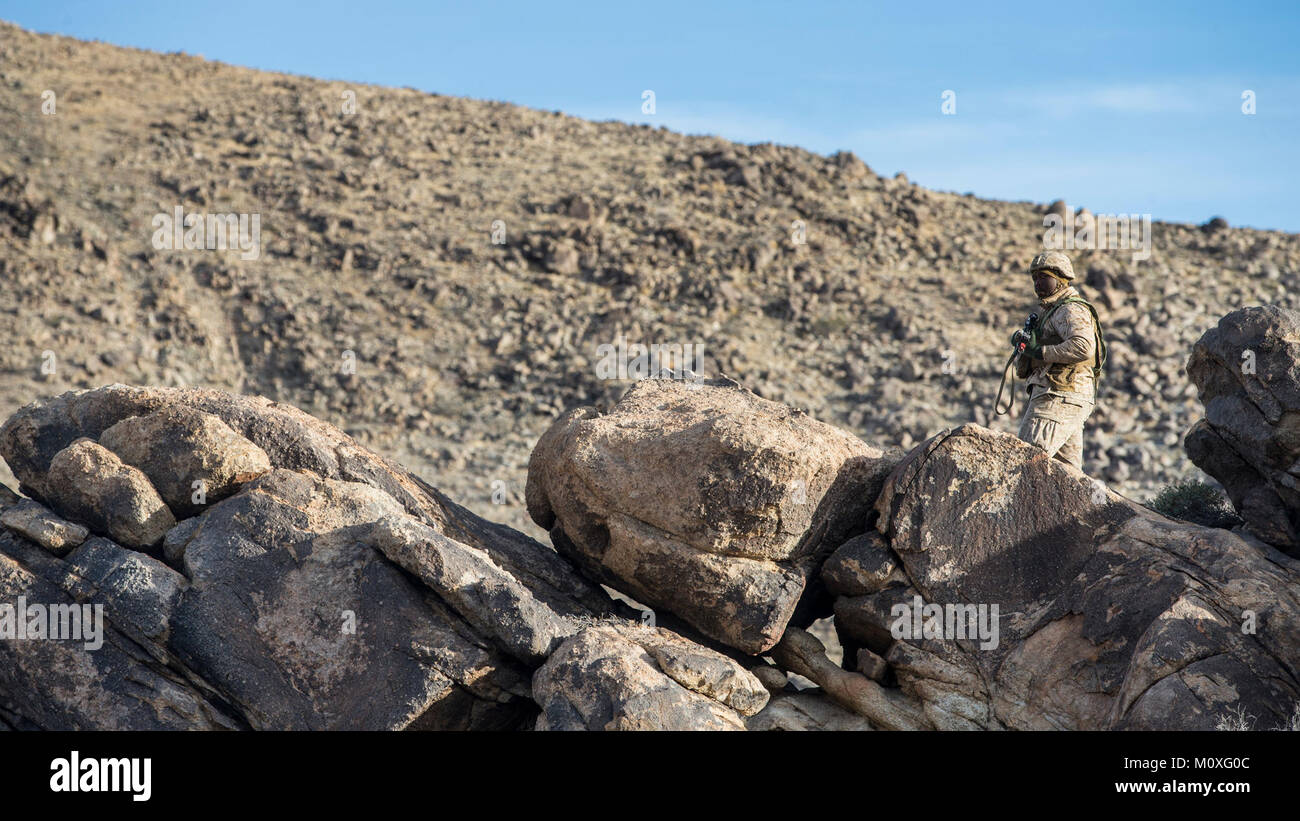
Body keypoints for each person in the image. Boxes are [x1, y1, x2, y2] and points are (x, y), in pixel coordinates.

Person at [1010, 251, 1105, 470]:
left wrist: (1039, 351)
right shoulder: (1053, 311)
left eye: (1043, 277)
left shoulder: (1069, 308)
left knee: (1024, 463)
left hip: (1058, 395)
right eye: (1035, 278)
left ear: (1060, 278)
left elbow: (1083, 347)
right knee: (1065, 473)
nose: (1037, 283)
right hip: (1064, 396)